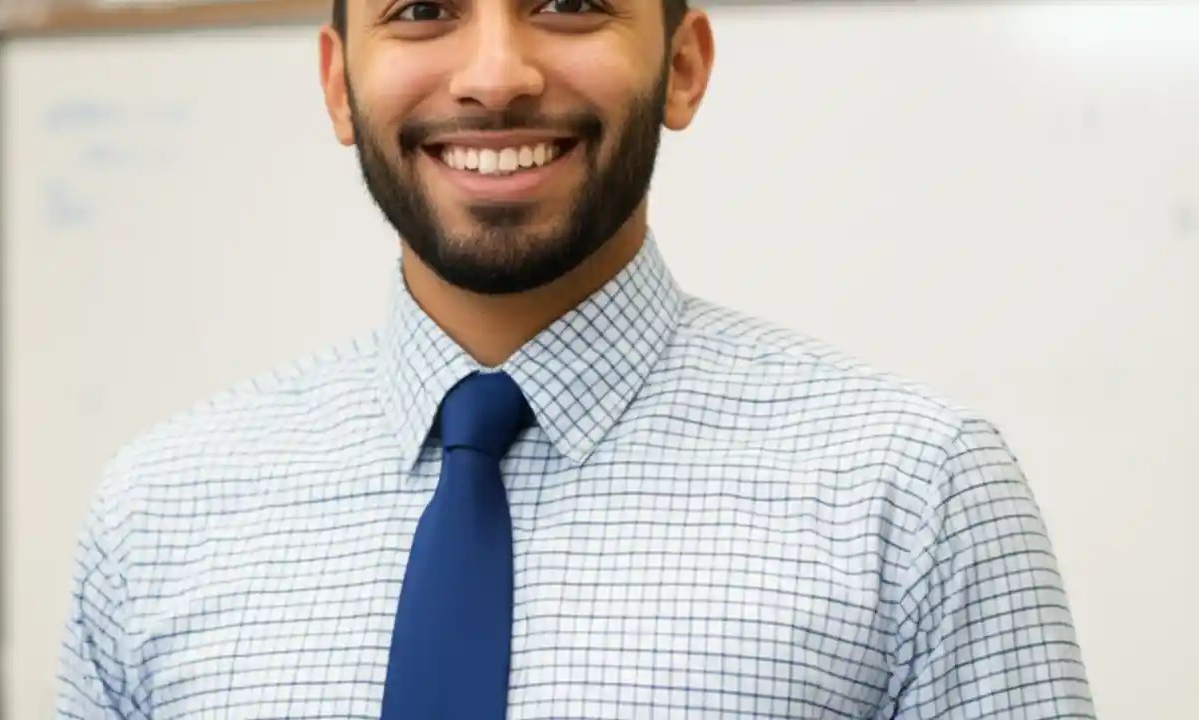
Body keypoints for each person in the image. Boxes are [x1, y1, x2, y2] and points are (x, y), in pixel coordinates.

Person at [56, 0, 1097, 717]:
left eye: (567, 0)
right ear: (338, 86)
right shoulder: (160, 509)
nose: (496, 77)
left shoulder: (910, 489)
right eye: (421, 9)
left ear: (681, 65)